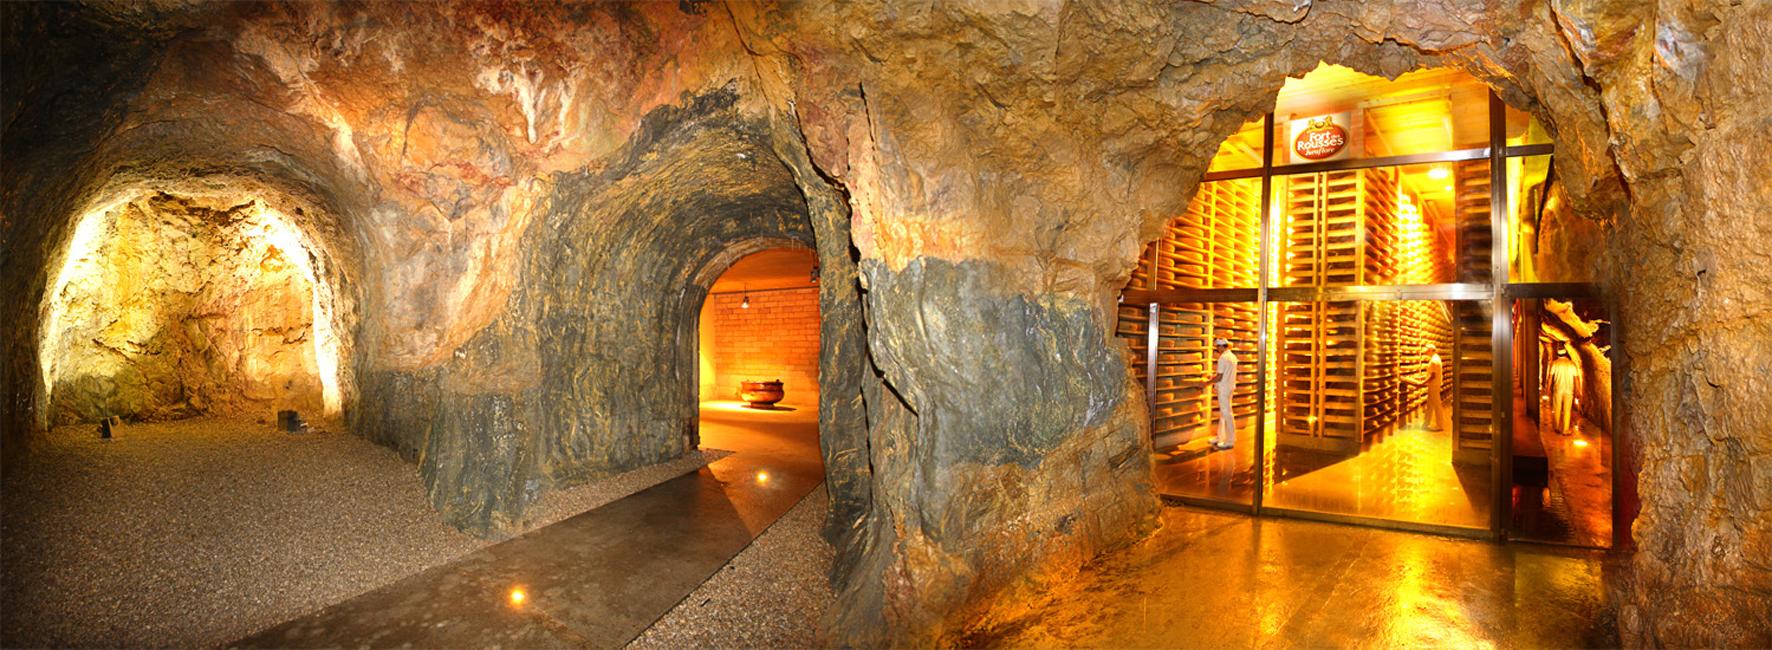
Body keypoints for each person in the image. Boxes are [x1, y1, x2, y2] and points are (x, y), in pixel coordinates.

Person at [1401, 343, 1445, 431]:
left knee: (1436, 405)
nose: (1425, 352)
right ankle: (1426, 424)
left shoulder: (1434, 361)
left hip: (1434, 385)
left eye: (1427, 350)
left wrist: (1422, 383)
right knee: (1430, 405)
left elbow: (1432, 376)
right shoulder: (1436, 358)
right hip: (1434, 384)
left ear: (1431, 350)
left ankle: (1440, 425)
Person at [1207, 338, 1237, 450]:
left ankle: (1230, 441)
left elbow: (1219, 376)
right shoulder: (1233, 357)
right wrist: (1213, 378)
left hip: (1224, 388)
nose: (1217, 350)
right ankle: (1220, 437)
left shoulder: (1223, 358)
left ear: (1221, 346)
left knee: (1227, 414)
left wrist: (1207, 382)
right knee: (1224, 414)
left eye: (1217, 347)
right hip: (1229, 387)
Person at [1546, 347, 1582, 435]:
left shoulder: (1555, 363)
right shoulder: (1571, 364)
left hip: (1558, 389)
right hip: (1569, 390)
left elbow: (1550, 377)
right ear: (1566, 354)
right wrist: (1578, 390)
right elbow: (1576, 378)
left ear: (1558, 355)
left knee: (1557, 408)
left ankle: (1557, 427)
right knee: (1567, 410)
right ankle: (1565, 430)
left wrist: (1547, 389)